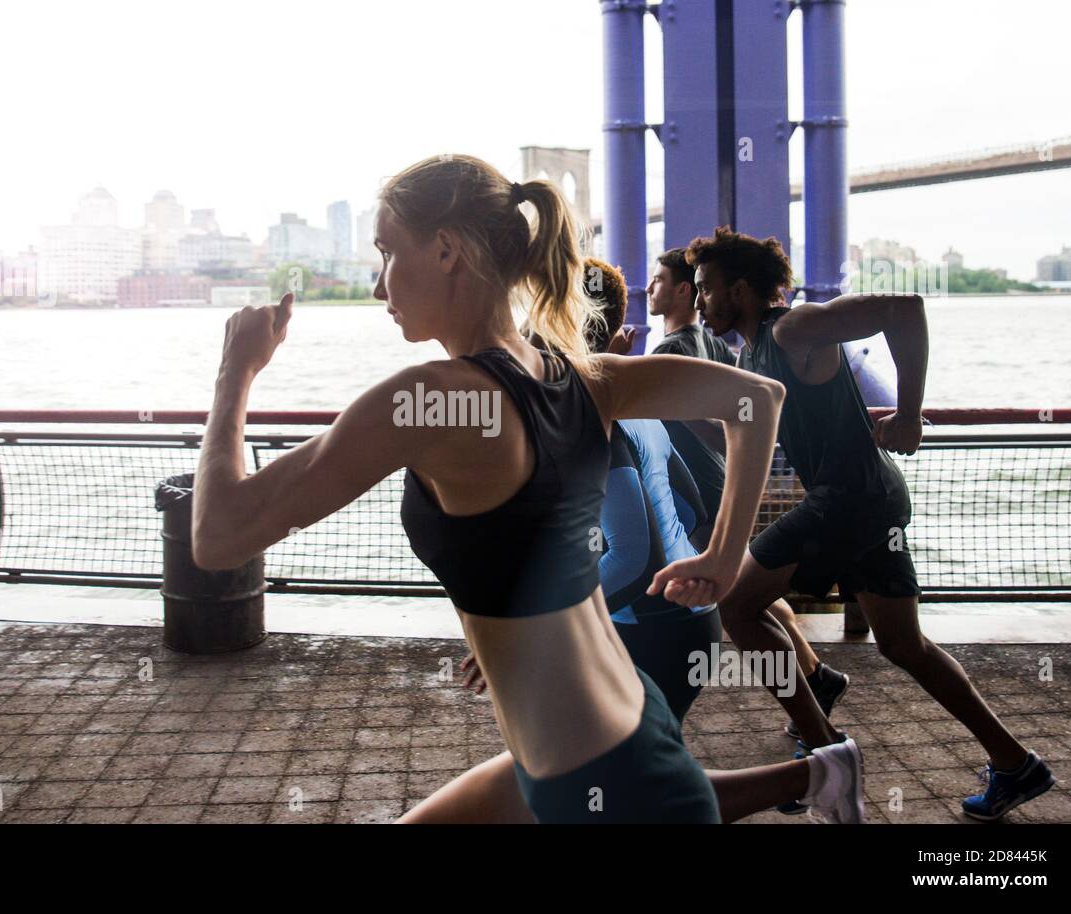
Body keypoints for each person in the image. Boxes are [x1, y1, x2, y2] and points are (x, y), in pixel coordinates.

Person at [192, 155, 862, 823]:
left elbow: (220, 536)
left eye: (387, 252)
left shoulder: (425, 401)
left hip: (596, 778)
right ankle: (822, 774)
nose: (378, 286)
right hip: (615, 731)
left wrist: (235, 372)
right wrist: (721, 558)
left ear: (448, 249)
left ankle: (819, 775)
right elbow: (756, 400)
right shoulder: (584, 379)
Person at [400, 257, 863, 824]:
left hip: (655, 628)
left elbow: (631, 555)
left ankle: (822, 774)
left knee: (616, 791)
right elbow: (688, 498)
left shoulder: (595, 419)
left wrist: (534, 630)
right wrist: (702, 560)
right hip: (675, 620)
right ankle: (823, 772)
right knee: (616, 783)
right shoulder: (632, 403)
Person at [686, 226, 1053, 820]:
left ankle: (823, 751)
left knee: (736, 605)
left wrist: (909, 414)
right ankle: (1017, 764)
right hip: (867, 501)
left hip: (848, 501)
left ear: (741, 287)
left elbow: (903, 310)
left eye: (705, 288)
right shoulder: (748, 351)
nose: (700, 301)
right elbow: (743, 435)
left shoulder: (792, 326)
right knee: (903, 644)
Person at [649, 247, 849, 757]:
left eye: (658, 282)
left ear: (683, 291)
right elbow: (735, 426)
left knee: (735, 601)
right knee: (747, 590)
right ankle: (816, 678)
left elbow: (720, 431)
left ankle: (817, 719)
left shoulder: (671, 352)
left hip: (691, 489)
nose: (648, 290)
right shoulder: (708, 343)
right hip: (719, 483)